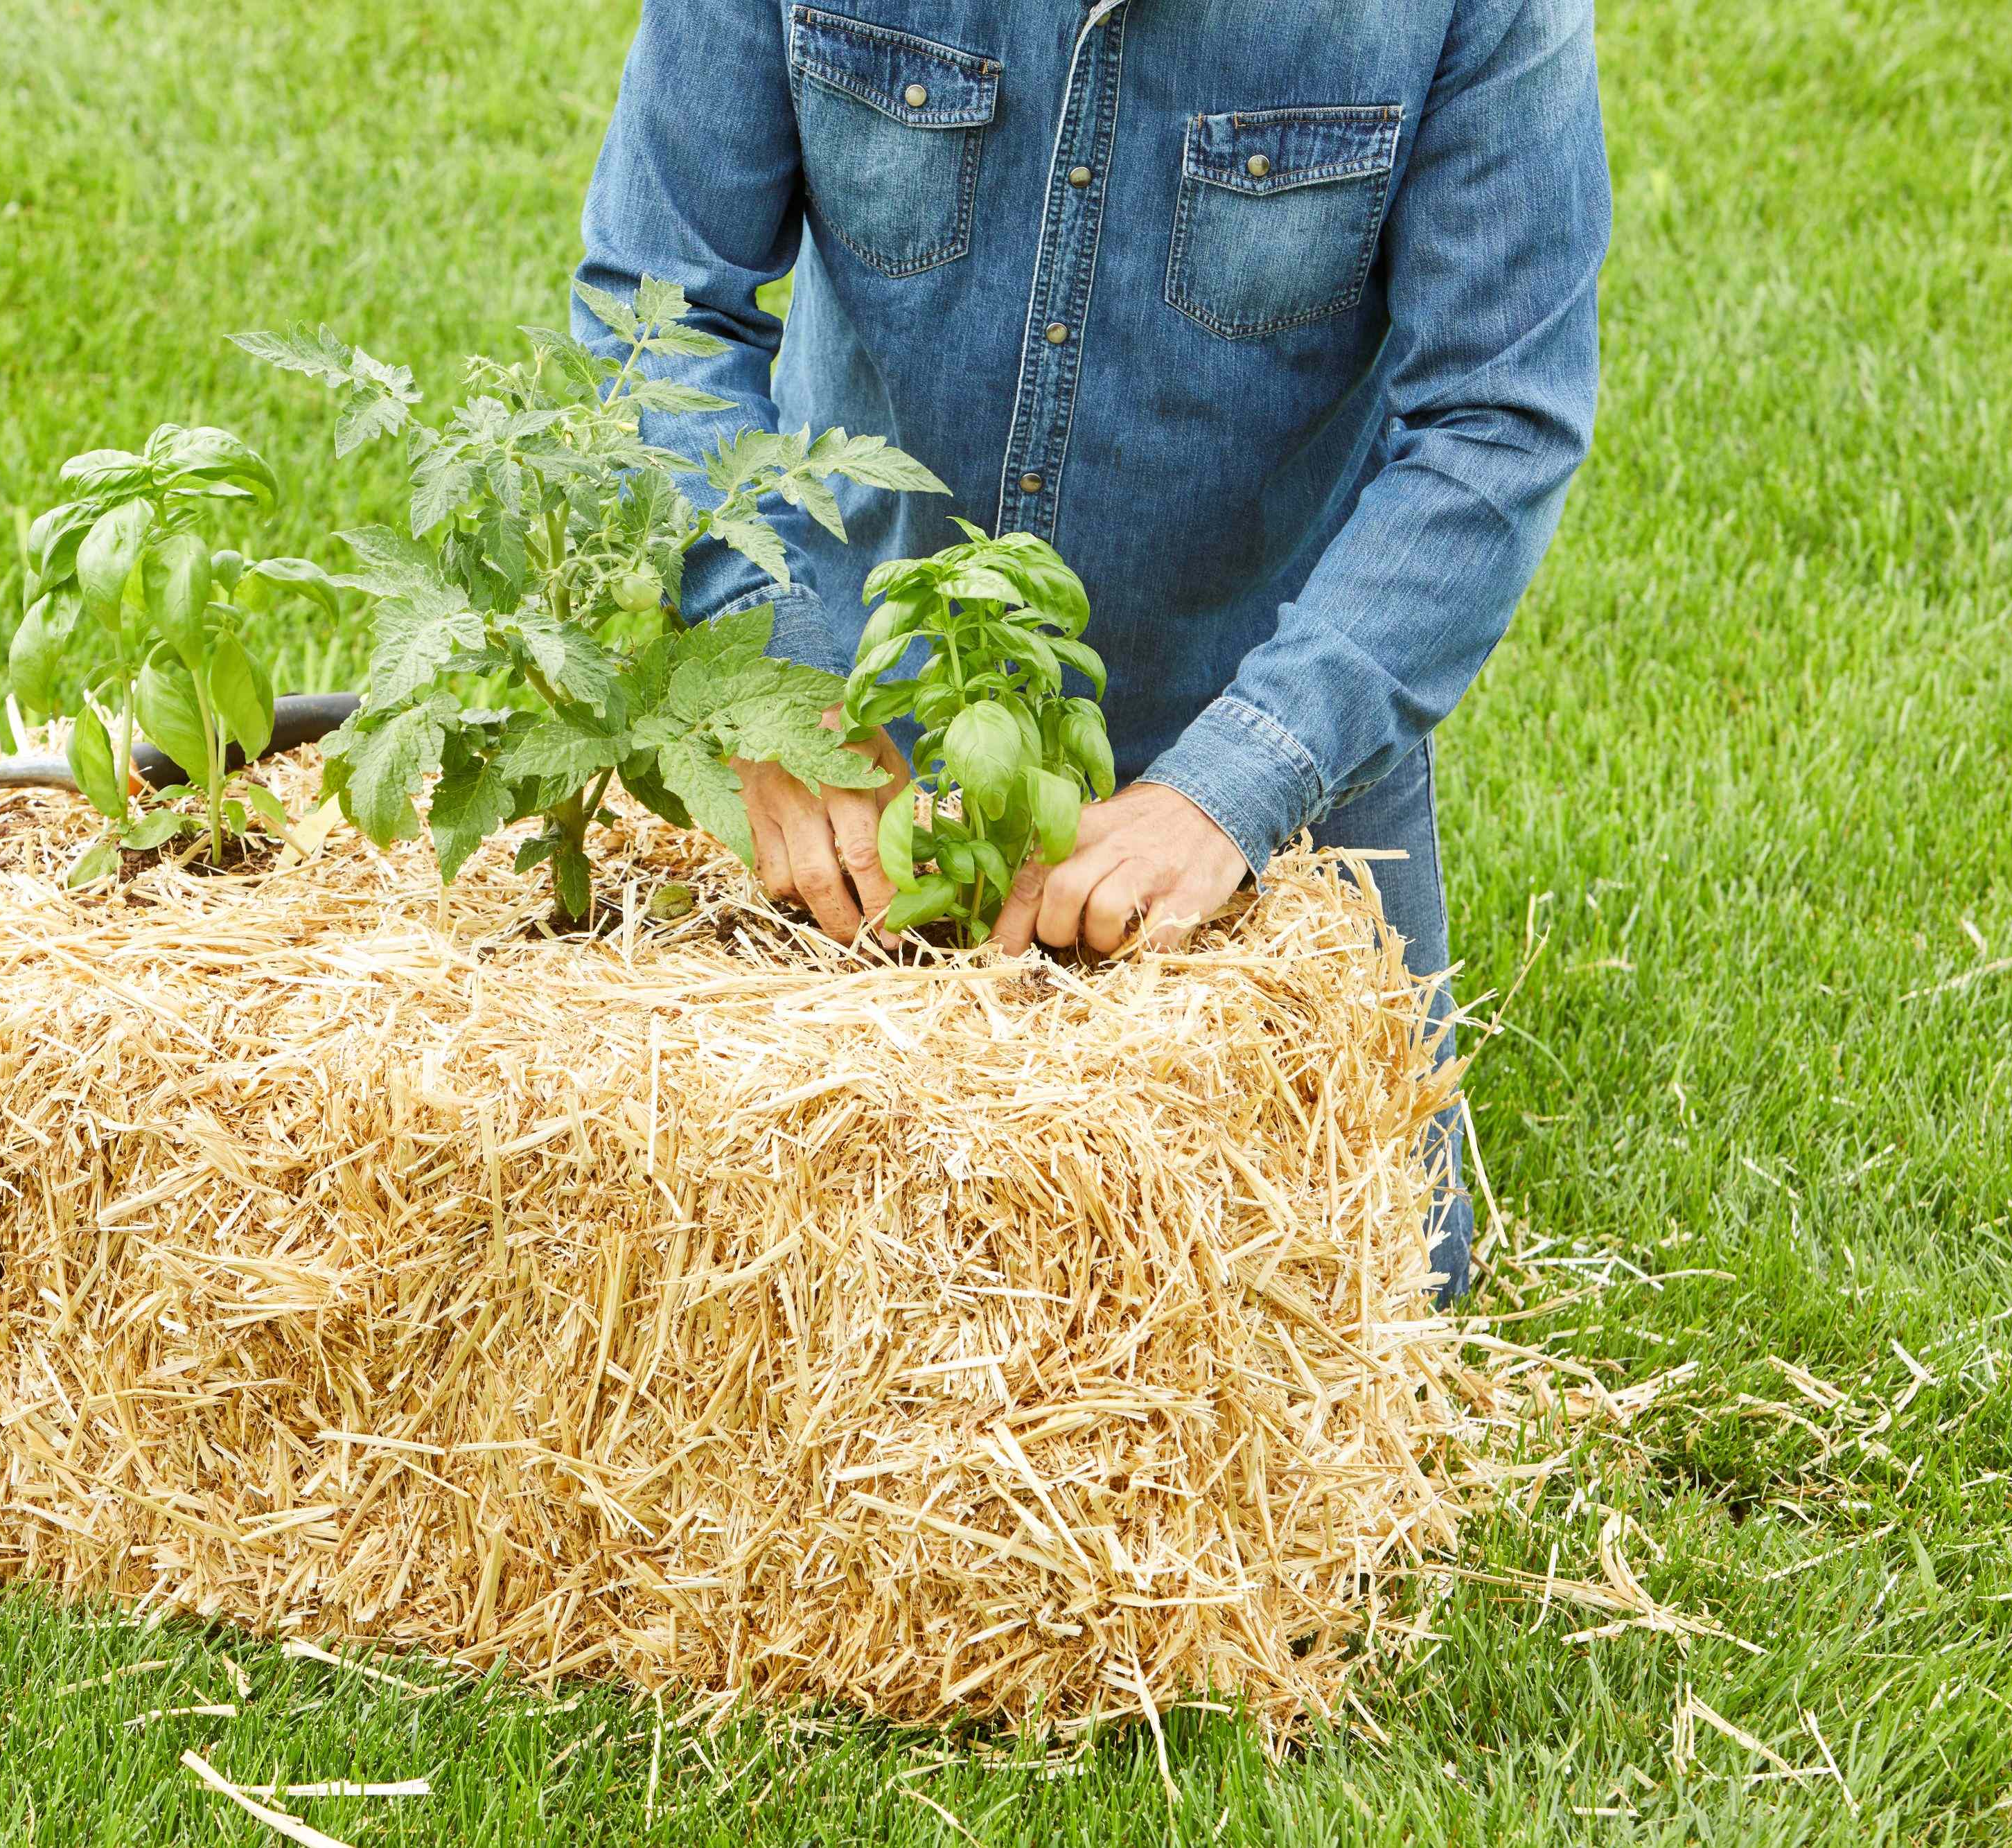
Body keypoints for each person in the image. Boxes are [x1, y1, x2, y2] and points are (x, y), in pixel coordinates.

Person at [573, 0, 1610, 1298]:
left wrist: (1237, 782)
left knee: (1371, 1302)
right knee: (745, 1306)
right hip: (860, 721)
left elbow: (1494, 420)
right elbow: (659, 302)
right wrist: (765, 666)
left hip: (1256, 731)